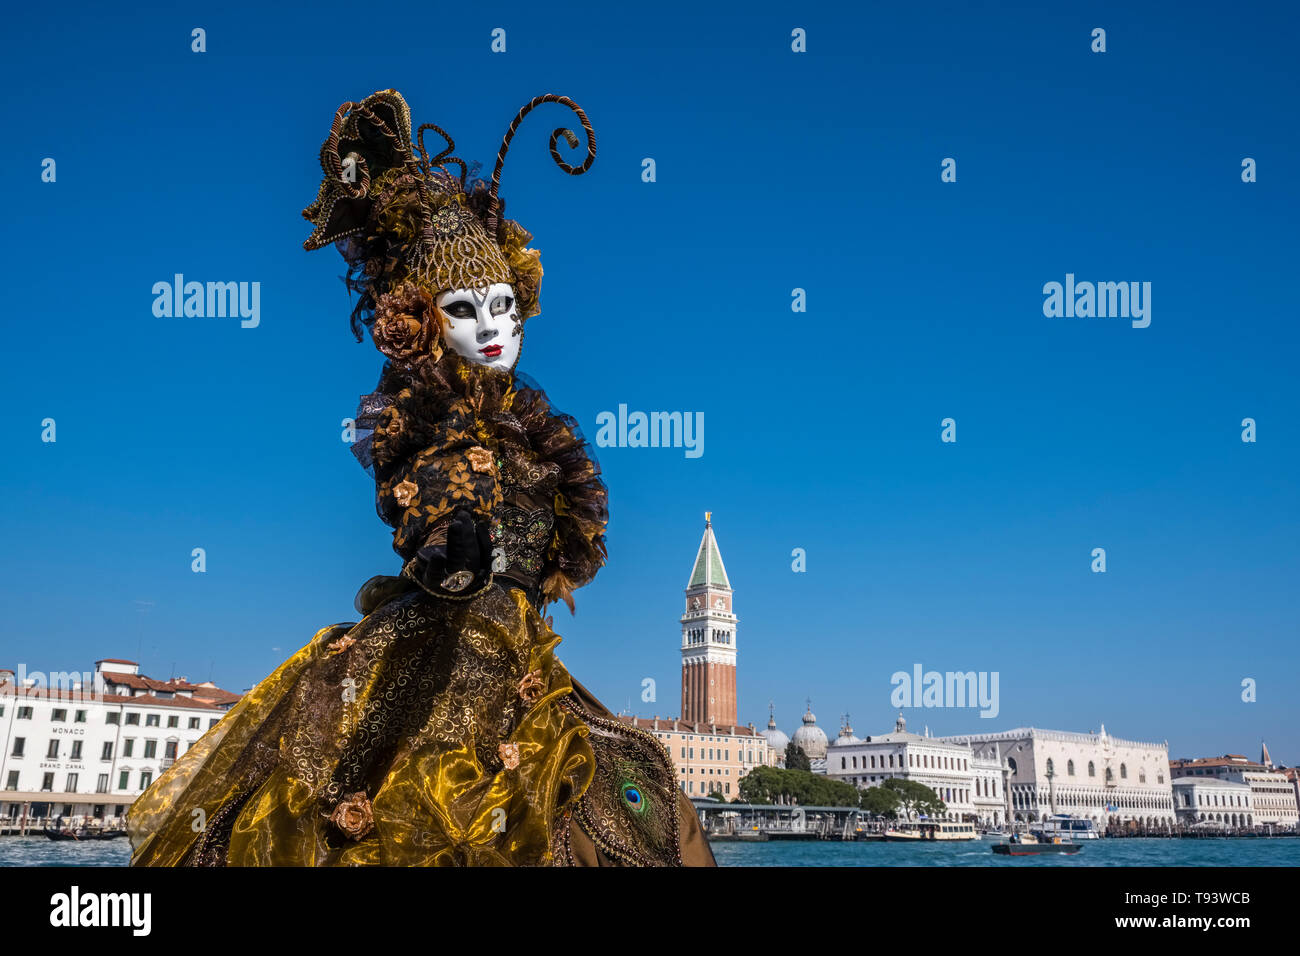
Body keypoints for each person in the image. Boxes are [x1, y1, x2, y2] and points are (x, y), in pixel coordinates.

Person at [126, 89, 715, 867]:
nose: (496, 329)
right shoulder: (419, 414)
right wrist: (452, 539)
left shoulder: (534, 432)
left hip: (527, 667)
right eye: (468, 310)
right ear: (427, 318)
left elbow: (564, 547)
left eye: (505, 305)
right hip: (435, 657)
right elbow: (421, 490)